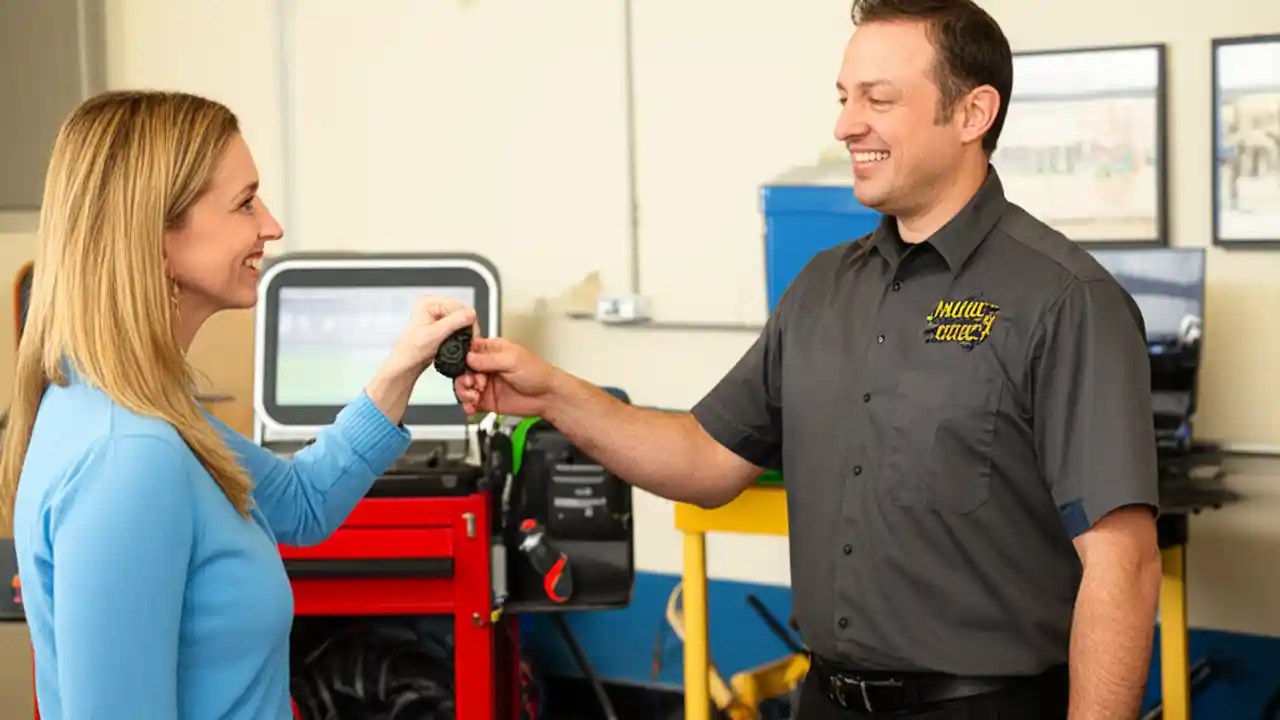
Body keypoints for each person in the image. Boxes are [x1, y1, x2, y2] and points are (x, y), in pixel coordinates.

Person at [455, 0, 1162, 717]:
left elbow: (1123, 565)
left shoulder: (1066, 300)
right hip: (822, 699)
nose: (846, 123)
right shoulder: (823, 287)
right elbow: (704, 459)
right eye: (844, 96)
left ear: (974, 113)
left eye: (878, 99)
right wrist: (551, 394)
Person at [0, 91, 476, 719]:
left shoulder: (131, 406)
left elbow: (300, 503)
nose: (271, 226)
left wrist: (400, 369)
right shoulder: (130, 458)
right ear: (159, 236)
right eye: (245, 203)